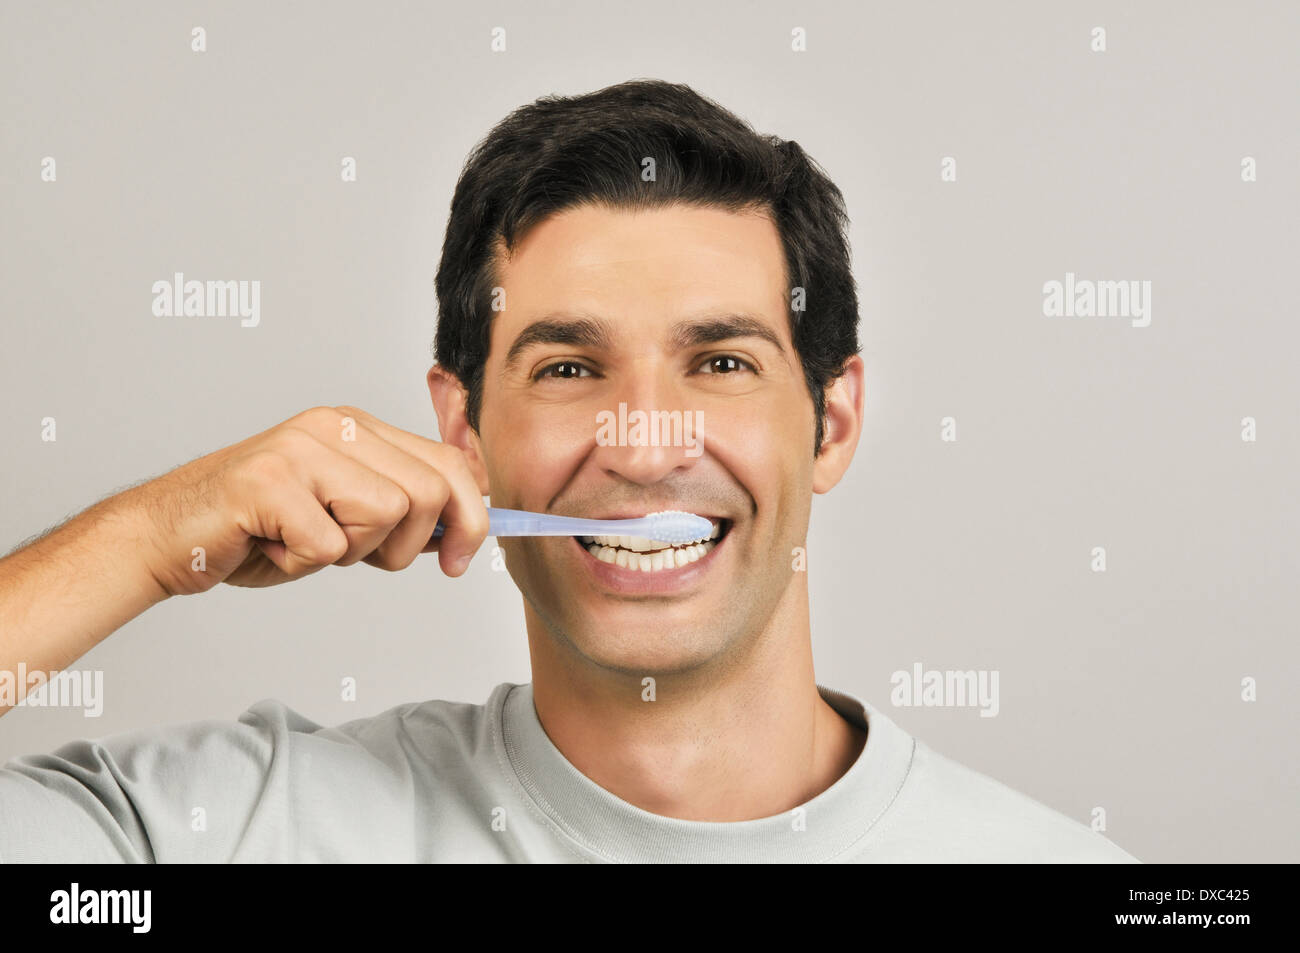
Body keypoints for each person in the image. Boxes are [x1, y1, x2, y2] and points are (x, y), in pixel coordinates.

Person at [0, 79, 1138, 863]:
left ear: (831, 421)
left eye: (722, 360)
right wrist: (151, 539)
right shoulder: (245, 830)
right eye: (568, 367)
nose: (644, 443)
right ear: (464, 432)